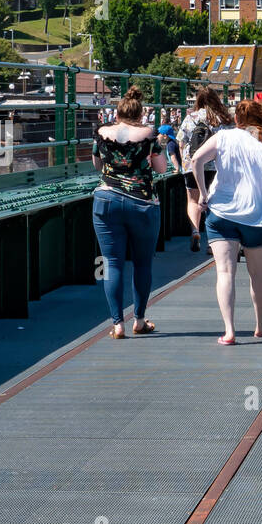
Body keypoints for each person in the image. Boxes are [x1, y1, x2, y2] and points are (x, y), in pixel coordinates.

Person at [191, 98, 262, 344]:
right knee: (258, 274)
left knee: (225, 272)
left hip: (221, 213)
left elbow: (196, 160)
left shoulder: (223, 137)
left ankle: (229, 331)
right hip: (256, 216)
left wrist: (203, 193)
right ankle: (260, 325)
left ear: (236, 119)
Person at [91, 86, 167, 339]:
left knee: (110, 263)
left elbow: (97, 163)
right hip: (142, 203)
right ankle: (140, 320)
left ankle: (117, 324)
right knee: (142, 263)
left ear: (118, 112)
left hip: (106, 201)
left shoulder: (101, 133)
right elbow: (161, 168)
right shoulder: (149, 135)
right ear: (140, 113)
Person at [179, 87, 230, 253]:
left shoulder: (190, 117)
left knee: (193, 201)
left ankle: (195, 231)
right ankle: (212, 242)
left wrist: (184, 164)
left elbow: (181, 142)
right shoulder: (222, 118)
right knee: (213, 203)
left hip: (192, 165)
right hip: (215, 165)